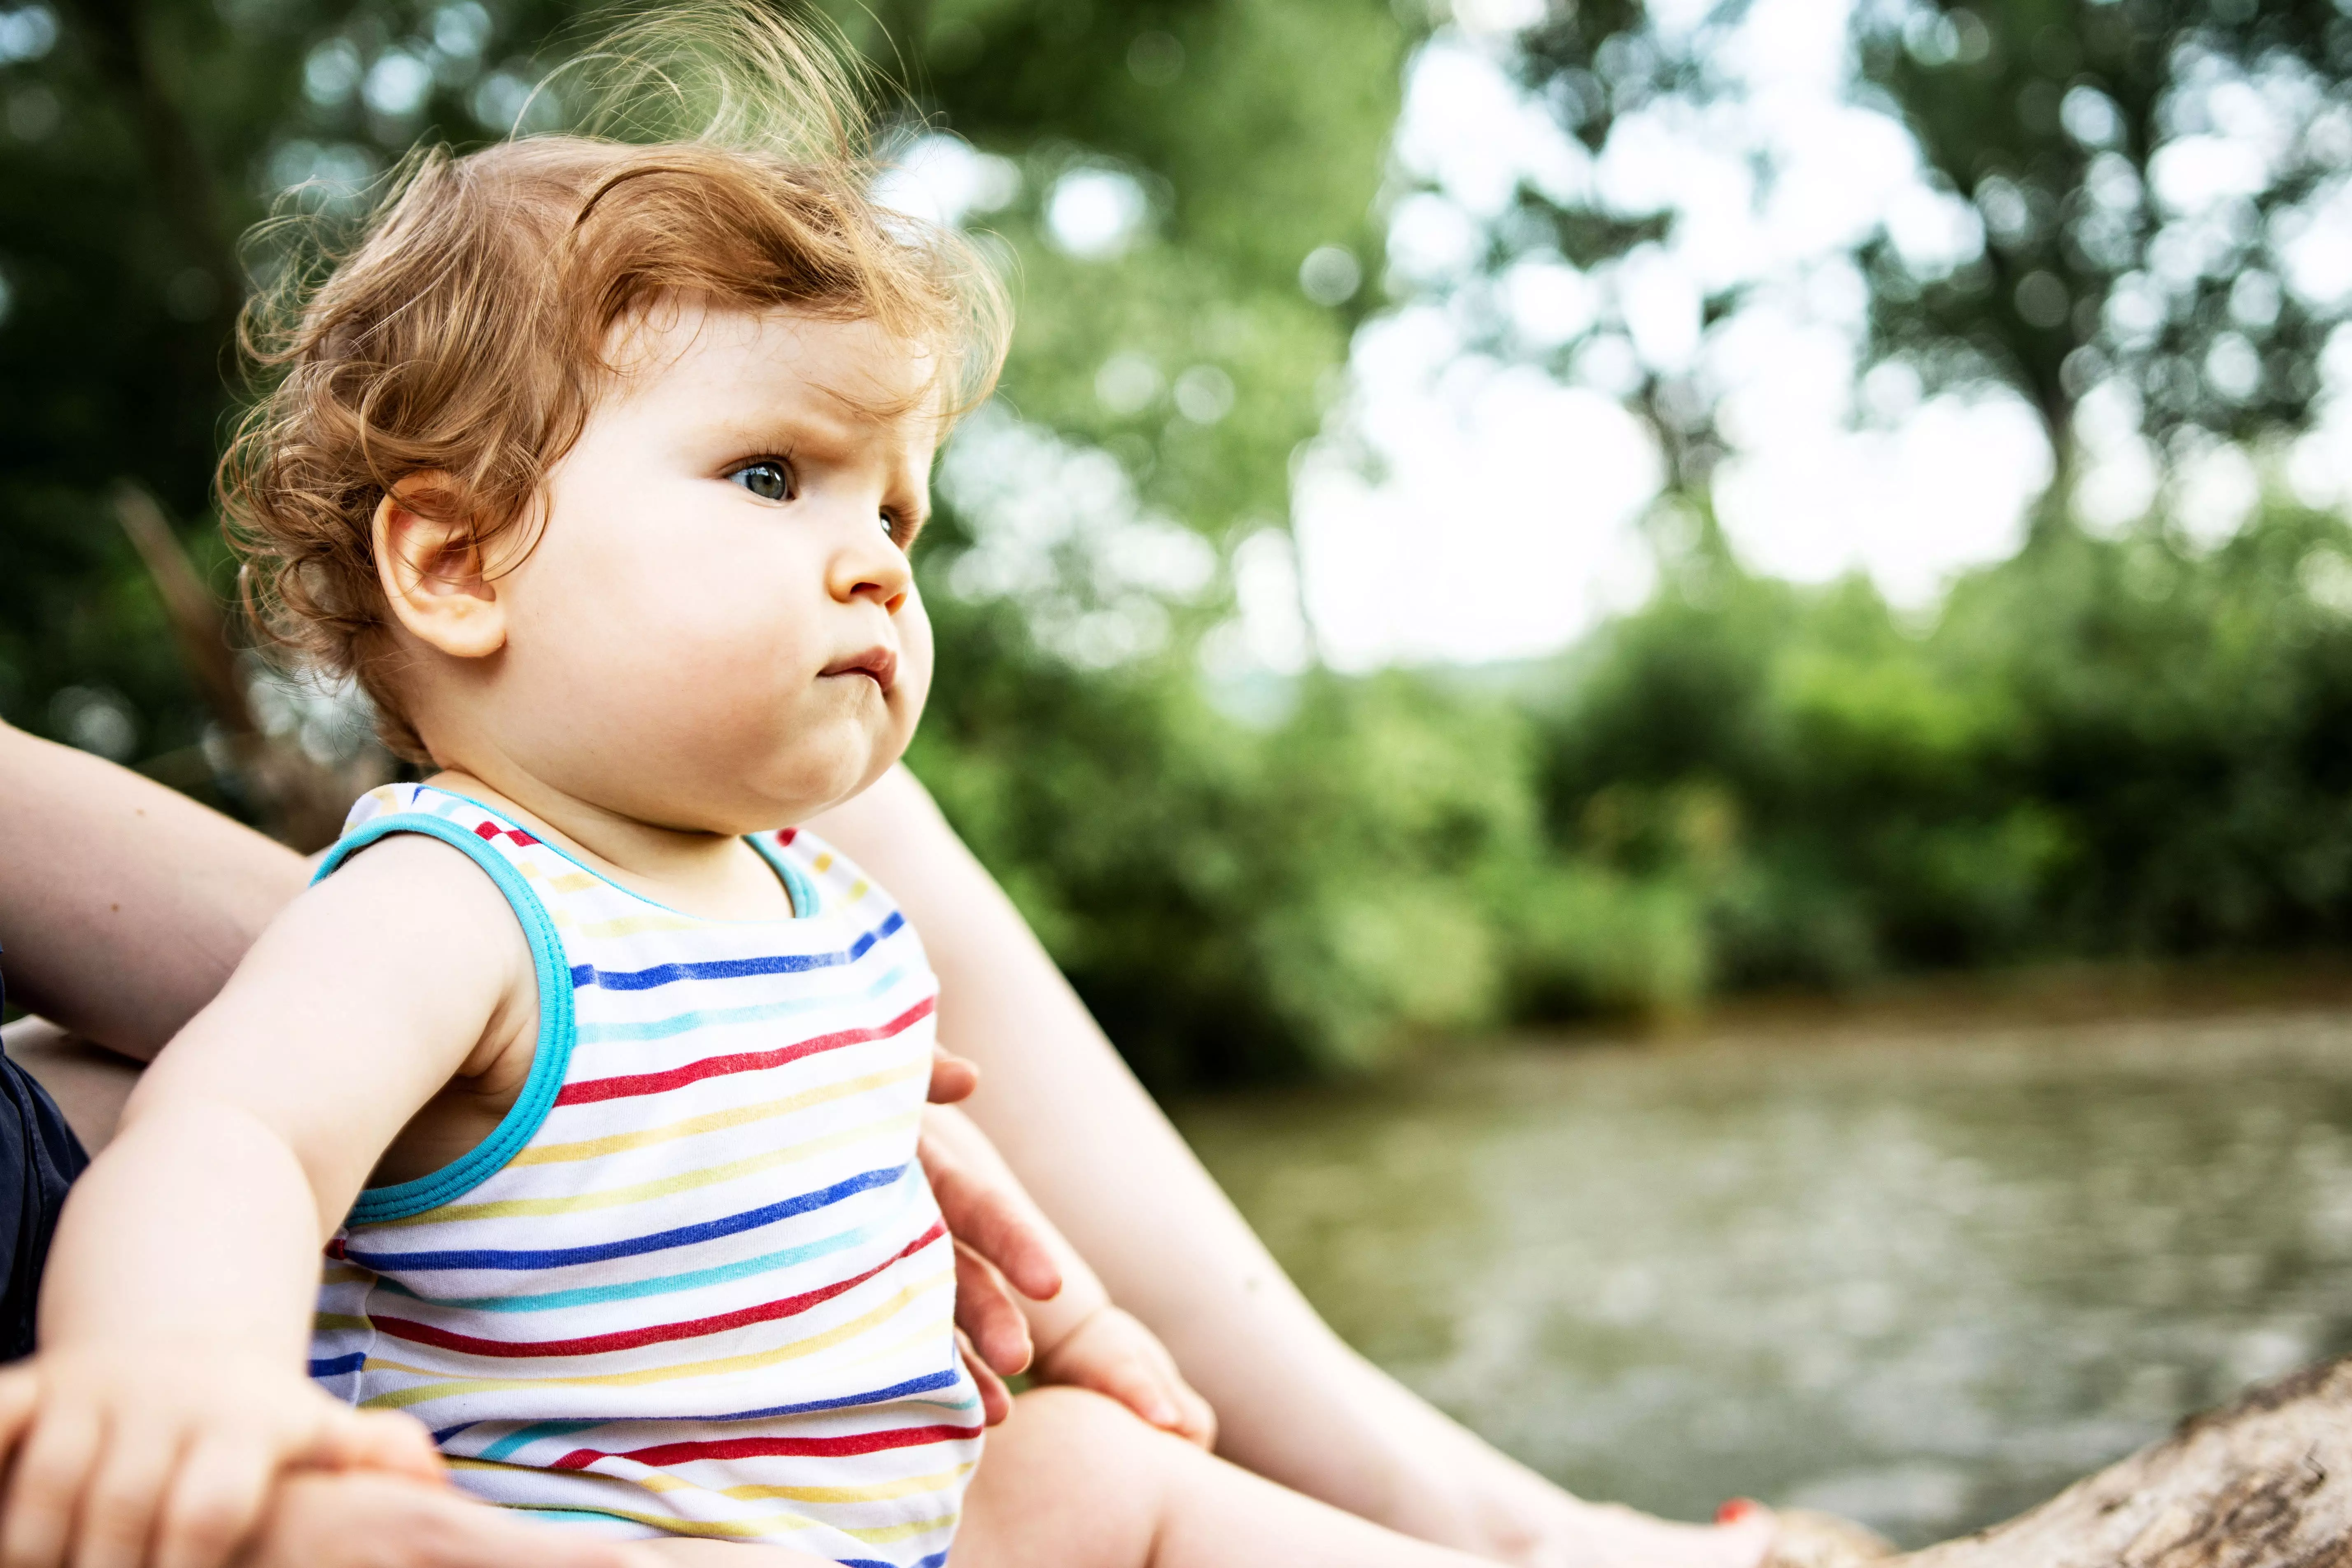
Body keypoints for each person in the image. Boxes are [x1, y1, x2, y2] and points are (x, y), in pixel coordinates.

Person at [0, 19, 1778, 1568]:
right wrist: (174, 1374)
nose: (875, 564)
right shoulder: (444, 903)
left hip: (899, 1526)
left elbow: (884, 1177)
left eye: (897, 512)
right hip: (613, 1544)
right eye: (771, 474)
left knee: (1096, 1471)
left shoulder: (824, 898)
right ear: (461, 564)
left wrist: (1077, 1323)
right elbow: (228, 1138)